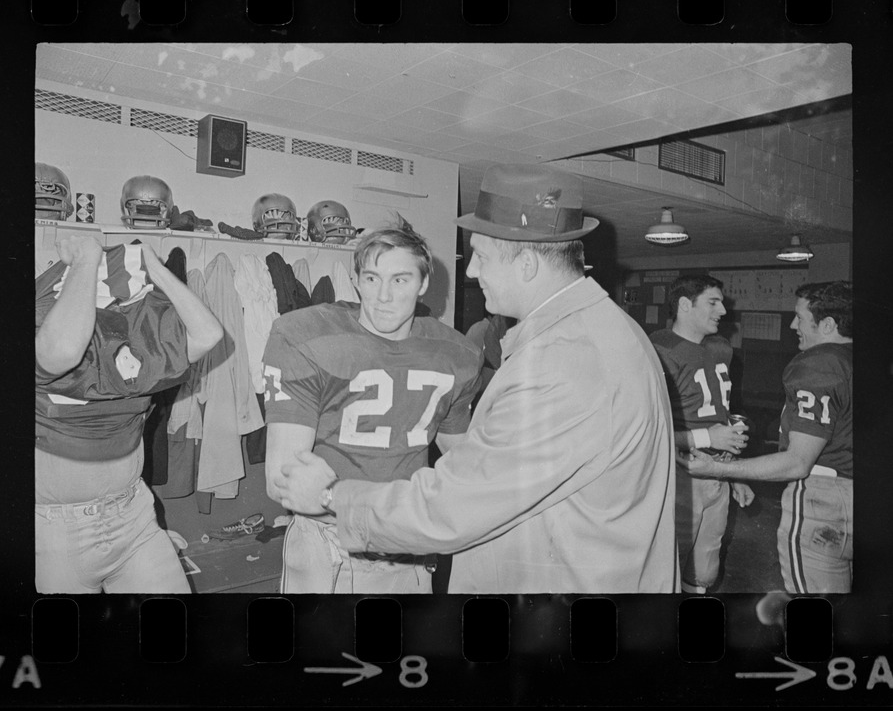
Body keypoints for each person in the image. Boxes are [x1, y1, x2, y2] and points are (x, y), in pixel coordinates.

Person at [270, 164, 679, 593]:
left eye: (480, 256)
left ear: (525, 264)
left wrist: (334, 496)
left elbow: (454, 506)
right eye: (371, 278)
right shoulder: (604, 329)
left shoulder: (562, 359)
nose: (469, 272)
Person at [262, 217, 483, 593]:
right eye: (371, 279)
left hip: (406, 545)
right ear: (356, 280)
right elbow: (283, 481)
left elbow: (465, 460)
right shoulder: (304, 335)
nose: (383, 296)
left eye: (400, 280)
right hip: (329, 539)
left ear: (424, 283)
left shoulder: (458, 353)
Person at [35, 236, 223, 593]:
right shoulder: (45, 337)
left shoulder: (136, 353)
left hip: (132, 518)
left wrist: (157, 269)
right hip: (55, 532)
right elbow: (63, 349)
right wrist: (85, 260)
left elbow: (209, 333)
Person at [679, 281, 853, 594]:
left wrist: (724, 470)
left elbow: (797, 462)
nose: (792, 324)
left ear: (827, 325)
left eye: (799, 317)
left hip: (824, 495)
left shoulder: (817, 363)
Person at [649, 275, 755, 594]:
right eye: (713, 302)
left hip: (716, 473)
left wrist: (734, 471)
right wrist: (709, 439)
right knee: (665, 569)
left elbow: (719, 418)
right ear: (684, 305)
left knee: (703, 573)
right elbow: (648, 430)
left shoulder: (714, 351)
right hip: (681, 475)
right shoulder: (661, 350)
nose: (723, 310)